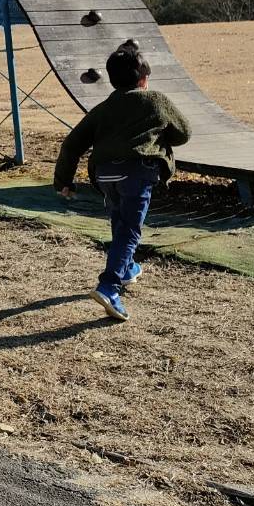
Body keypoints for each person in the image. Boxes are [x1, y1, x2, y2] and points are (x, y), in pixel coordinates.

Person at [54, 41, 190, 322]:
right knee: (130, 230)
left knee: (119, 221)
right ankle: (109, 287)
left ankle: (126, 270)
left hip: (105, 175)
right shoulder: (155, 100)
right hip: (137, 171)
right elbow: (183, 133)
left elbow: (71, 145)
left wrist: (63, 181)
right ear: (143, 79)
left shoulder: (104, 108)